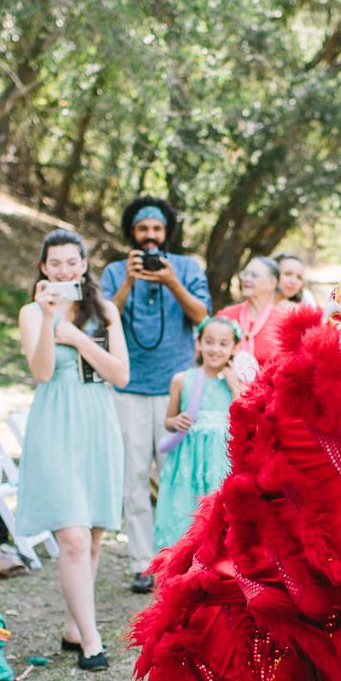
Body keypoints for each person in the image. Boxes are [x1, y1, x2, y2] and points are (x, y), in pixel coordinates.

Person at [19, 230, 129, 670]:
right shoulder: (31, 312)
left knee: (95, 535)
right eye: (55, 263)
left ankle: (72, 625)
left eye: (72, 262)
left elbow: (120, 374)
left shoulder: (103, 310)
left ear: (84, 264)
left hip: (98, 421)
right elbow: (42, 372)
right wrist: (49, 322)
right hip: (55, 421)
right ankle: (91, 640)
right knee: (74, 538)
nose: (64, 270)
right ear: (44, 268)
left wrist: (80, 338)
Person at [100, 197, 210, 594]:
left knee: (176, 478)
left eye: (157, 229)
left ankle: (178, 558)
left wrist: (171, 282)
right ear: (132, 232)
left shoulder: (186, 269)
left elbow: (203, 316)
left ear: (167, 234)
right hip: (127, 388)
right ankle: (142, 563)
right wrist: (129, 282)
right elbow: (101, 318)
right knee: (133, 481)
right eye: (143, 229)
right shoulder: (115, 272)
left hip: (175, 389)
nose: (150, 237)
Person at [153, 317, 246, 550]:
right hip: (188, 462)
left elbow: (243, 419)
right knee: (182, 513)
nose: (215, 349)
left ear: (234, 348)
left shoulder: (237, 384)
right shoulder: (183, 380)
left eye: (223, 344)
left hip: (220, 462)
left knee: (218, 517)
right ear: (199, 343)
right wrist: (176, 421)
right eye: (209, 342)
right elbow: (167, 421)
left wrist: (235, 385)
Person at [216, 256, 295, 374]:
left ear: (272, 283)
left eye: (254, 275)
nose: (247, 279)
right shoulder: (225, 317)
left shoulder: (283, 322)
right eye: (245, 274)